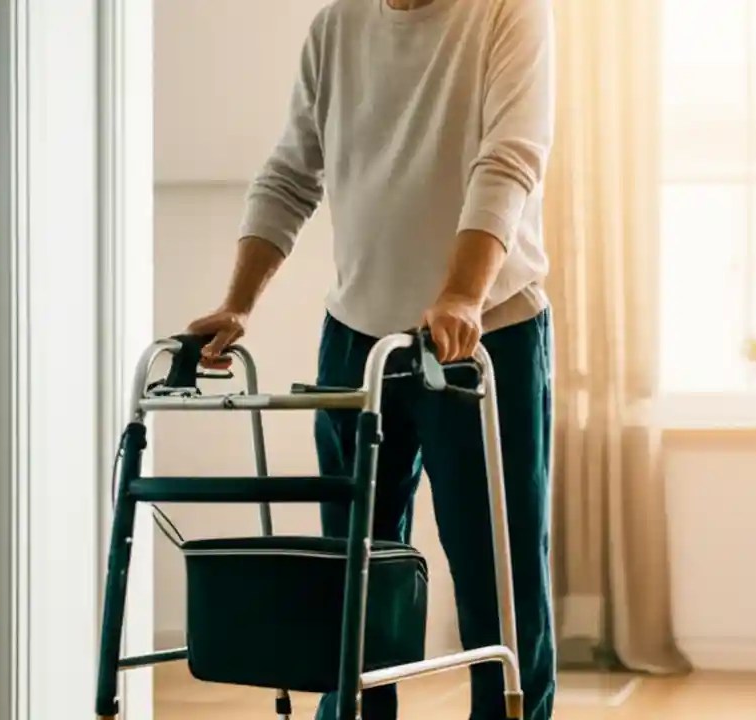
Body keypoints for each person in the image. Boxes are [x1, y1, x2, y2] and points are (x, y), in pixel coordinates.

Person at [187, 0, 556, 717]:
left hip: (485, 336)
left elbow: (509, 161)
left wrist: (461, 294)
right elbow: (291, 173)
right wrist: (238, 303)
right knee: (352, 579)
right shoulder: (335, 28)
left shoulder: (508, 11)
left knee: (497, 581)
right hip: (358, 336)